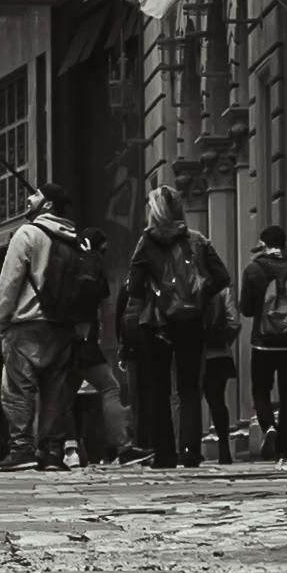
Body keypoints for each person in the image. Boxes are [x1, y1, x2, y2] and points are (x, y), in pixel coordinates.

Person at [120, 192, 234, 466]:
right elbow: (222, 277)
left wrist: (156, 293)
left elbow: (134, 287)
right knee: (189, 387)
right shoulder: (197, 239)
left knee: (158, 388)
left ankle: (165, 453)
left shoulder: (146, 242)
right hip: (192, 323)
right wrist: (198, 297)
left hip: (156, 323)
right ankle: (190, 450)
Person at [0, 187, 93, 465]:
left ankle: (21, 449)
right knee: (55, 391)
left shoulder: (28, 234)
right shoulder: (75, 239)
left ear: (46, 204)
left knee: (17, 388)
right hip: (62, 326)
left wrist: (0, 317)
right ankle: (52, 451)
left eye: (35, 194)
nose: (28, 198)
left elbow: (10, 280)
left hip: (27, 322)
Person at [239, 222, 287, 464]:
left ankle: (268, 426)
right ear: (285, 244)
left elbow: (245, 309)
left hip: (263, 342)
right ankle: (284, 451)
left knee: (260, 388)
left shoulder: (253, 270)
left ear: (263, 245)